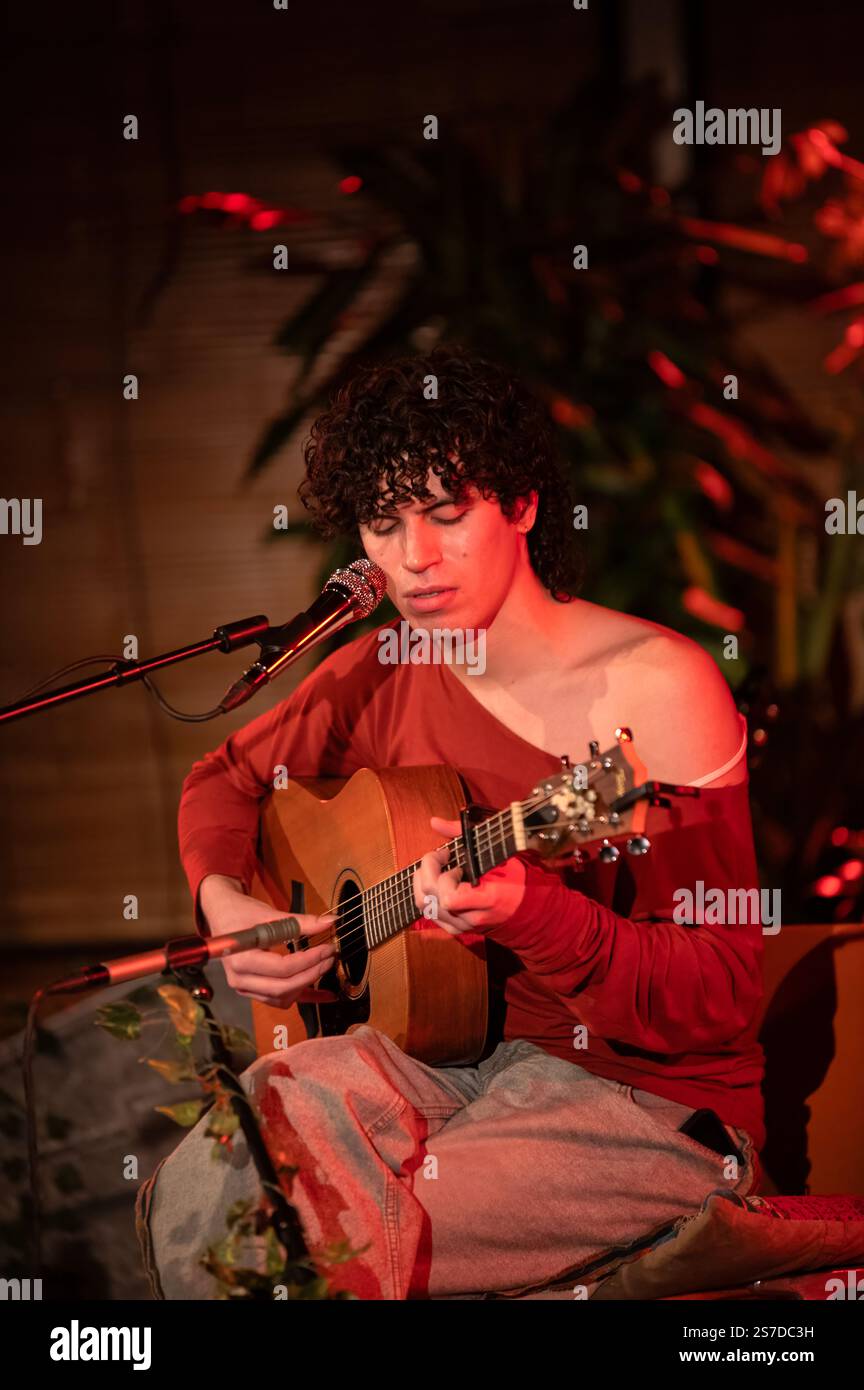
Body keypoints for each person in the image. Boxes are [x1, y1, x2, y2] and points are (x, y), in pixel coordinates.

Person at [137, 345, 765, 1300]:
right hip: (448, 1060)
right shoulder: (381, 666)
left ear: (521, 504)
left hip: (638, 1101)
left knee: (308, 1242)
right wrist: (225, 903)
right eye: (384, 526)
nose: (413, 559)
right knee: (216, 1182)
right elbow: (223, 780)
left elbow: (715, 996)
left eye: (446, 514)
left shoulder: (652, 687)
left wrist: (533, 915)